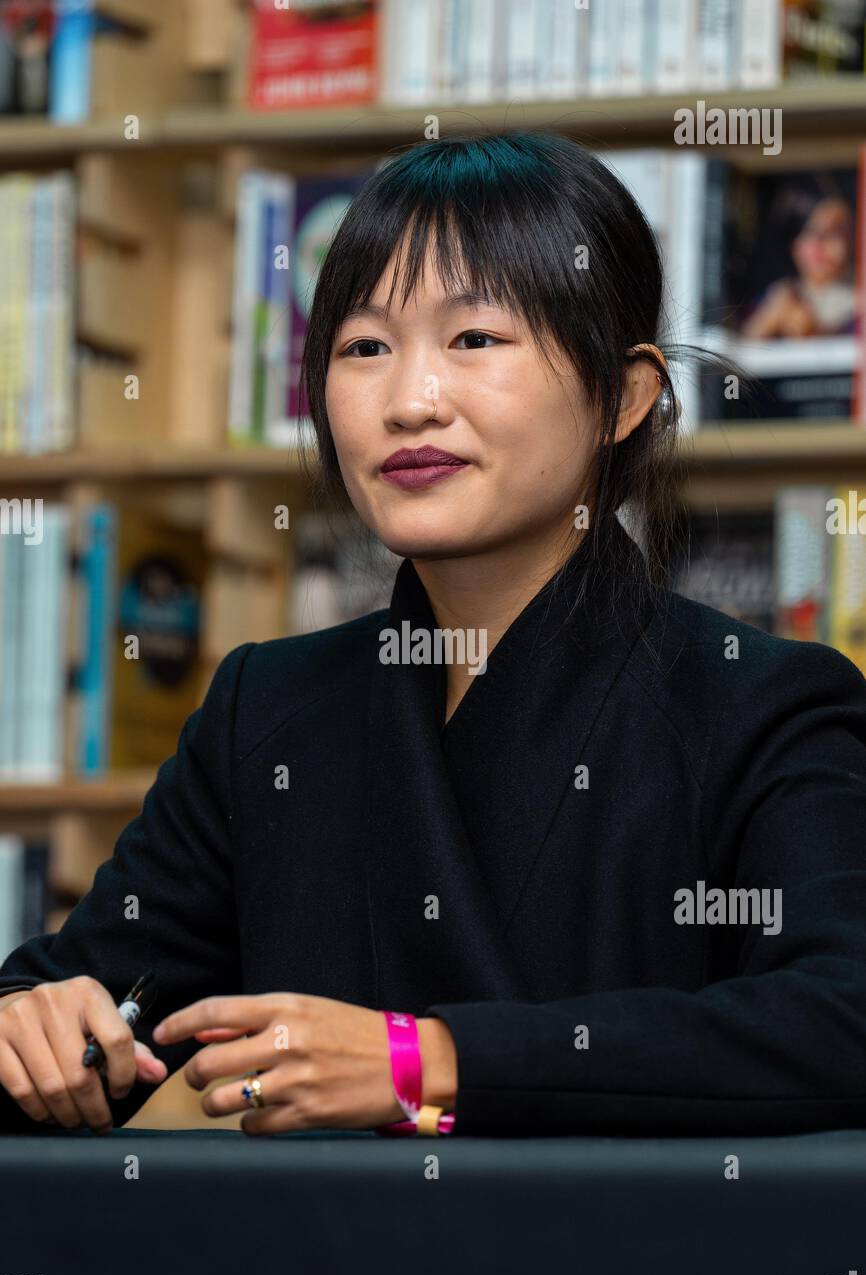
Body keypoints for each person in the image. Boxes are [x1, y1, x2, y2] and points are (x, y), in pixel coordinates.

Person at [1, 132, 865, 1140]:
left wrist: (427, 1061)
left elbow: (835, 1017)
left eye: (475, 341)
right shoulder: (266, 710)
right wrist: (36, 1026)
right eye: (364, 348)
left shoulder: (760, 700)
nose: (408, 402)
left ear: (623, 396)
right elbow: (94, 1002)